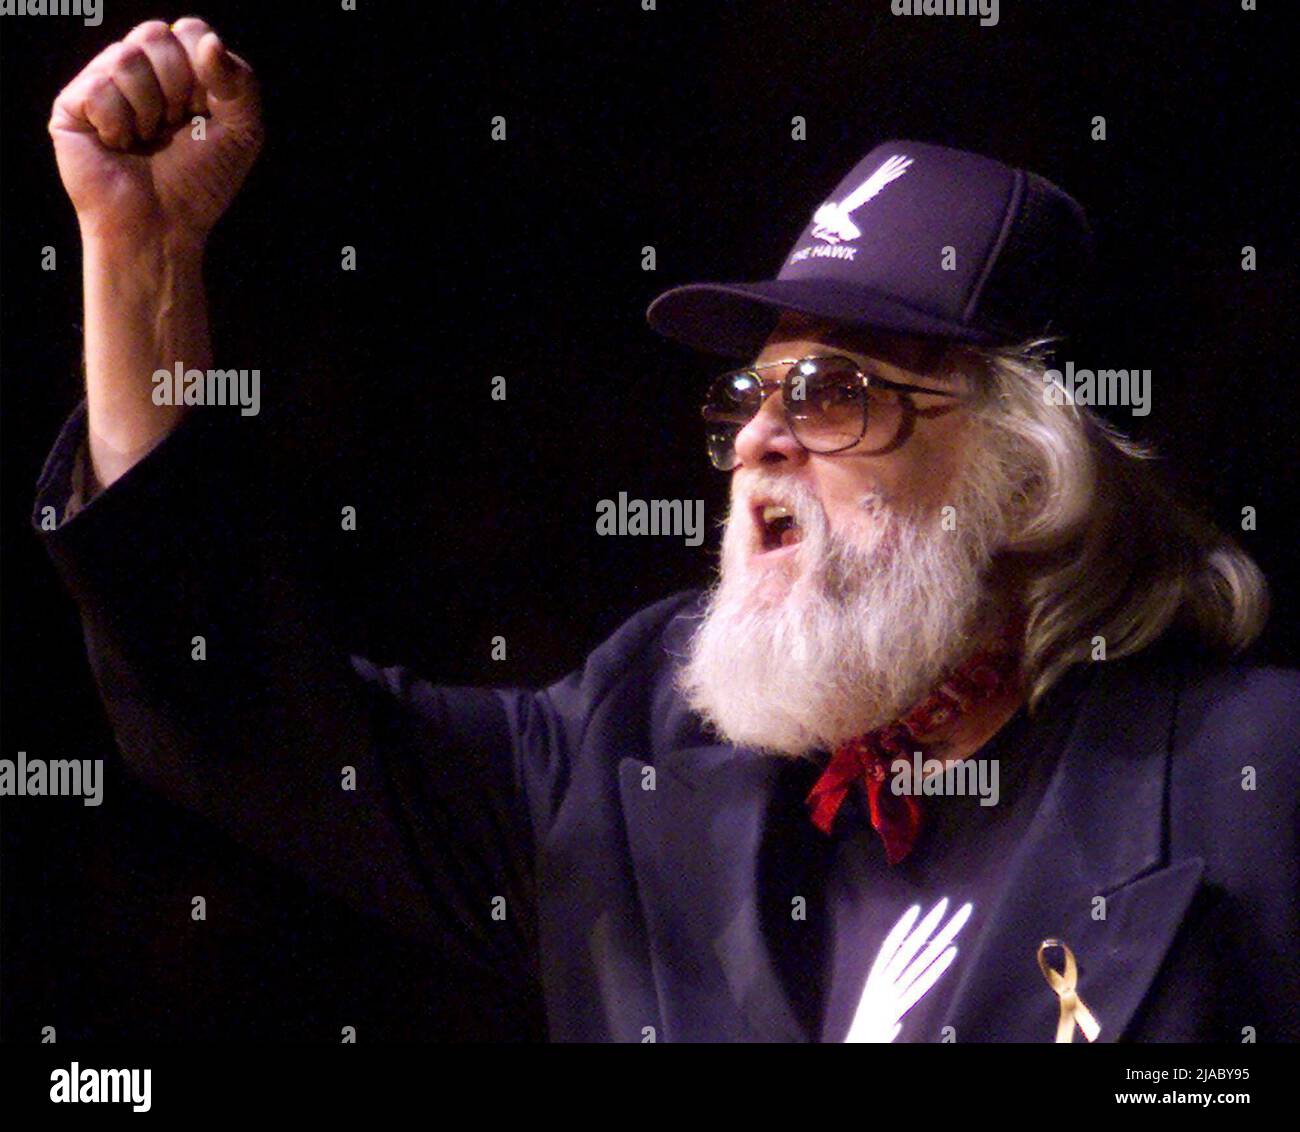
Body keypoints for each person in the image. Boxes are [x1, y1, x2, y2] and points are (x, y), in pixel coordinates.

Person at [35, 17, 1299, 1043]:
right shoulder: (633, 749)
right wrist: (142, 260)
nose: (758, 436)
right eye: (751, 394)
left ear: (1027, 478)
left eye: (835, 394)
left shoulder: (1256, 776)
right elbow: (227, 705)